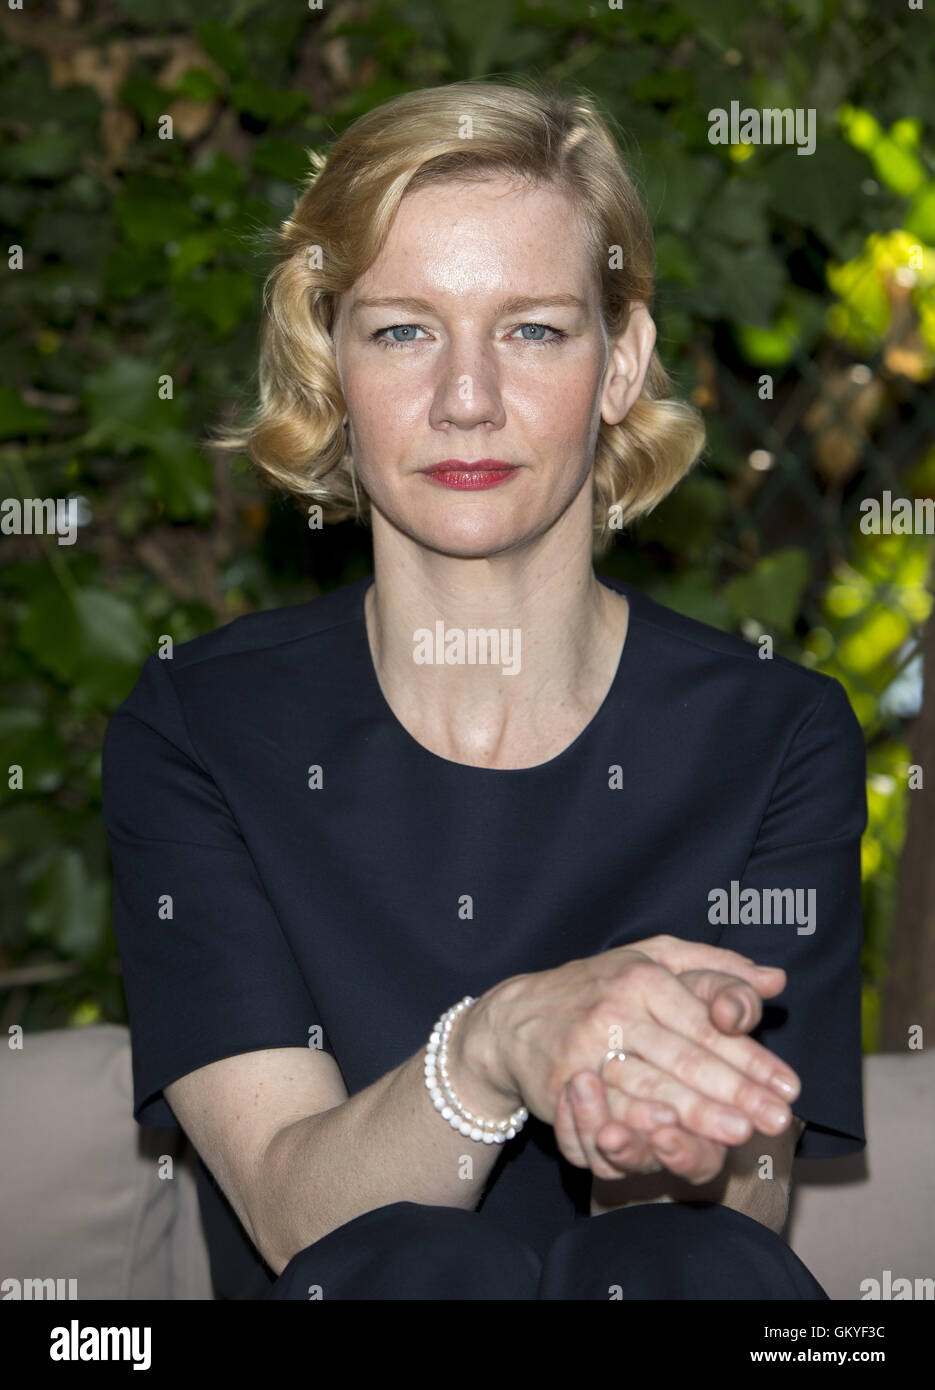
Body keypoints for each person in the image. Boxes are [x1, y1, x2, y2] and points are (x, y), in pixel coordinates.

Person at [101, 76, 867, 1301]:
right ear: (330, 363)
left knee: (680, 1253)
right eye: (403, 329)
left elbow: (743, 1208)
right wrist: (494, 1048)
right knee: (415, 1263)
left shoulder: (771, 732)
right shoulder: (203, 724)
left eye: (533, 330)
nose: (466, 398)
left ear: (621, 366)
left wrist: (648, 1139)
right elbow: (294, 1213)